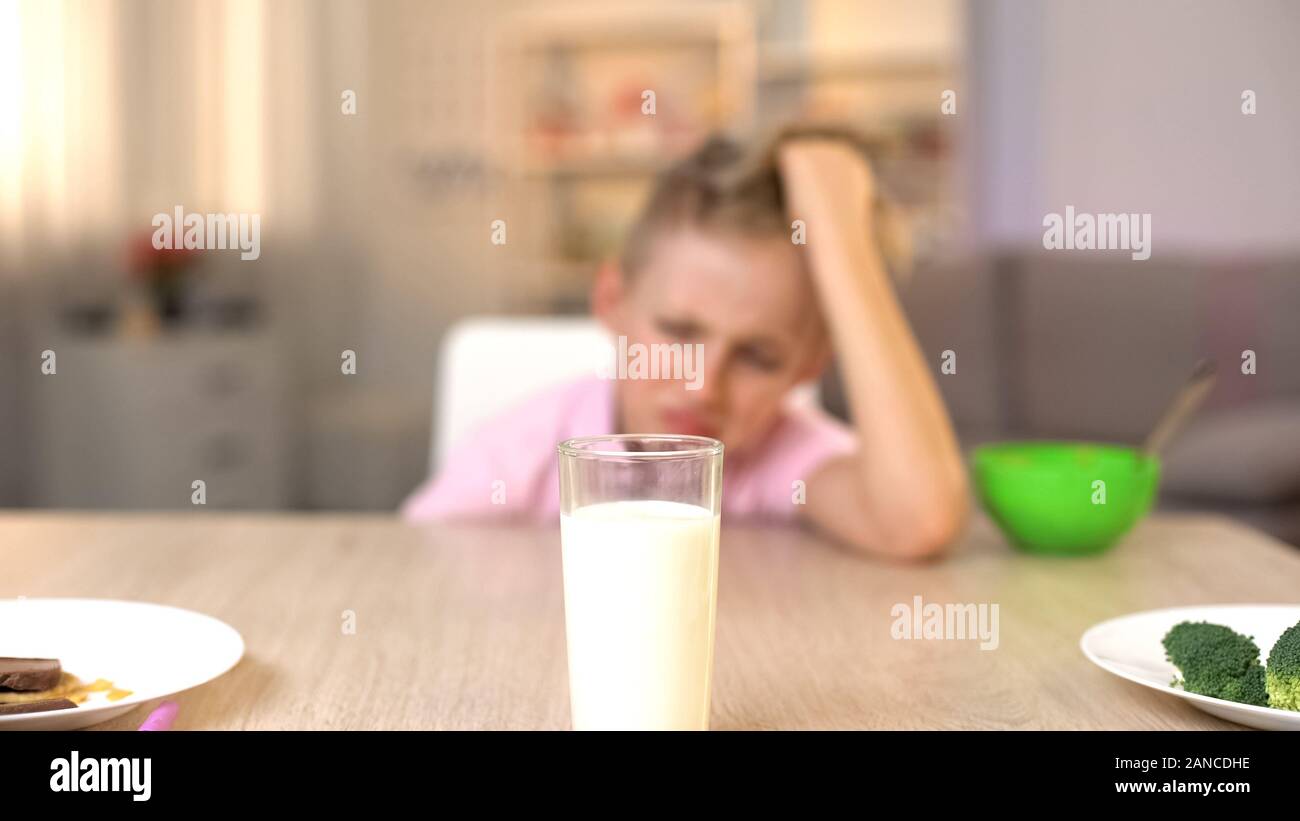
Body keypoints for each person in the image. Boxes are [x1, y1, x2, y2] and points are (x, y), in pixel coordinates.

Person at [403, 129, 969, 560]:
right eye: (678, 331)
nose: (703, 383)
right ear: (610, 301)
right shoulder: (521, 452)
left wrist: (840, 237)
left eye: (759, 357)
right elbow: (417, 571)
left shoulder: (780, 459)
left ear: (807, 367)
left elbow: (917, 519)